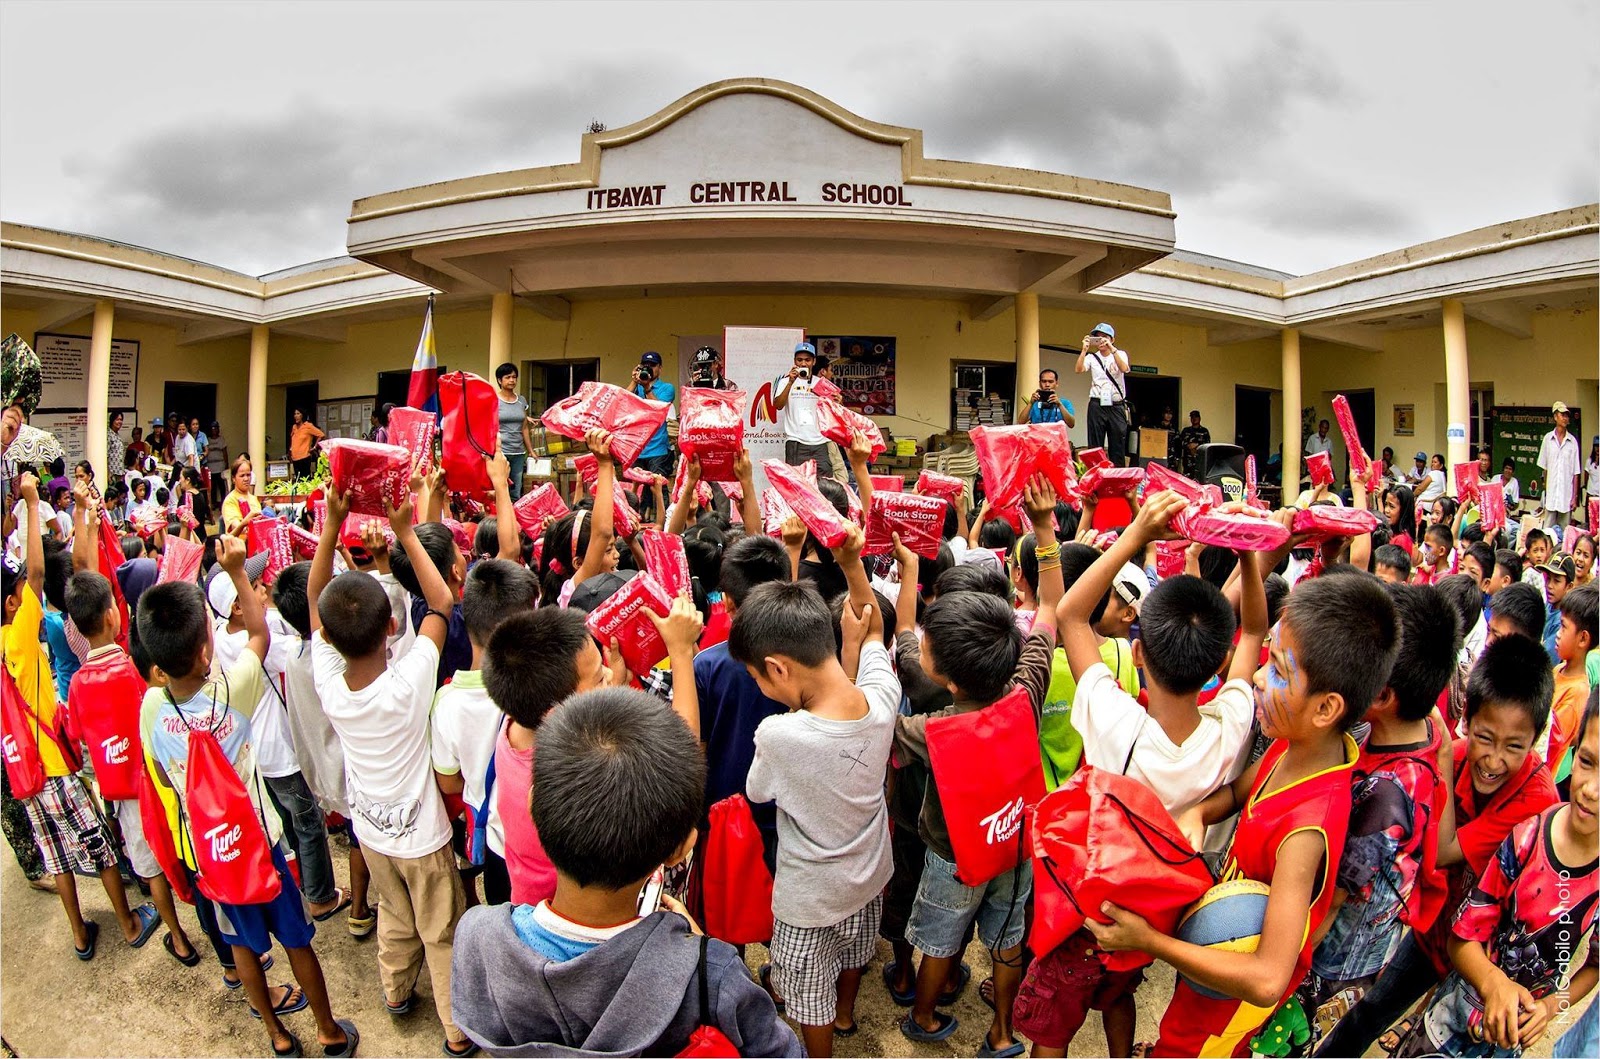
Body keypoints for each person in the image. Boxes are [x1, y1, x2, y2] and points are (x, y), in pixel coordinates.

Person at [1093, 573, 1400, 1058]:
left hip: (1227, 1014)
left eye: (1276, 668)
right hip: (1216, 956)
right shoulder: (1297, 744)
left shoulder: (1306, 830)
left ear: (1326, 707)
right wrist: (1200, 812)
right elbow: (1240, 790)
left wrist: (1150, 942)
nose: (1257, 675)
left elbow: (1266, 979)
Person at [1020, 494, 1261, 1058]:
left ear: (1139, 652)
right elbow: (1252, 633)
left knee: (1052, 1028)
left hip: (1088, 919)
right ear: (1214, 665)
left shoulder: (1119, 725)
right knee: (1119, 993)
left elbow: (1071, 614)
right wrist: (1250, 553)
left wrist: (1134, 533)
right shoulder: (1231, 727)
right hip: (1155, 921)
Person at [450, 687, 802, 1057]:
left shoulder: (477, 937)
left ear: (532, 804)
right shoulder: (715, 979)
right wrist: (700, 954)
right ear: (681, 849)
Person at [138, 535, 357, 1057]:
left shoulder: (150, 707)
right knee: (297, 938)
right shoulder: (233, 690)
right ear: (204, 651)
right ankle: (328, 1030)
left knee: (241, 945)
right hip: (260, 846)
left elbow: (167, 780)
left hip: (210, 857)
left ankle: (276, 1035)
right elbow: (258, 628)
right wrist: (236, 569)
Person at [1316, 634, 1559, 1057]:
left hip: (1483, 964)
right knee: (1368, 1011)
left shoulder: (1535, 801)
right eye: (1485, 737)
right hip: (1436, 934)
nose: (1494, 759)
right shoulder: (1463, 758)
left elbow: (1444, 851)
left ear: (1536, 739)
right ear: (1469, 718)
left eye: (1514, 746)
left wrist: (1445, 748)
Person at [894, 475, 1063, 1055]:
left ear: (947, 677)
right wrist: (1044, 531)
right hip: (1016, 845)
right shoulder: (1026, 689)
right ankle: (1003, 1030)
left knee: (939, 941)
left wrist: (907, 577)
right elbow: (1048, 612)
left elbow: (894, 666)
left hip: (952, 855)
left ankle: (925, 1016)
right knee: (1008, 940)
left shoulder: (932, 729)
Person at [307, 486, 473, 1056]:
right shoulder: (410, 680)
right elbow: (442, 604)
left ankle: (396, 993)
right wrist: (405, 531)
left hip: (371, 833)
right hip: (424, 838)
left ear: (326, 636)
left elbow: (314, 601)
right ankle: (455, 1031)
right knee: (442, 932)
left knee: (395, 920)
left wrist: (331, 525)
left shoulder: (330, 683)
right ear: (389, 632)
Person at [734, 526, 897, 1058]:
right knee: (853, 955)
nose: (762, 689)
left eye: (760, 679)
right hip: (870, 873)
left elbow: (758, 793)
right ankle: (849, 1015)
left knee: (807, 993)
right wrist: (853, 565)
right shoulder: (883, 696)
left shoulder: (779, 734)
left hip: (808, 899)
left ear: (777, 667)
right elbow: (873, 632)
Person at [4, 474, 161, 962]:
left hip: (22, 773)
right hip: (54, 765)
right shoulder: (20, 640)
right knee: (98, 846)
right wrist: (32, 505)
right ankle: (130, 921)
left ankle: (78, 932)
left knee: (57, 858)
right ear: (12, 604)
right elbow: (35, 573)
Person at [1390, 696, 1596, 1058]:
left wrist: (1550, 1007)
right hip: (1447, 1025)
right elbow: (1461, 940)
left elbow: (1593, 969)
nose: (1591, 790)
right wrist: (1493, 981)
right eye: (1587, 762)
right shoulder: (1527, 839)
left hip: (1505, 1047)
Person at [1307, 584, 1461, 1026]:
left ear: (1380, 696)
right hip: (1370, 943)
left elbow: (1332, 903)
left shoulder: (1385, 798)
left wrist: (1280, 965)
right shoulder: (1426, 727)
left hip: (1330, 960)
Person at [62, 562, 201, 968]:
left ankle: (178, 938)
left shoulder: (77, 684)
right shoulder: (132, 670)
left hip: (122, 794)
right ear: (112, 615)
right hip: (158, 779)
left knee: (150, 867)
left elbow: (78, 734)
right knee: (185, 850)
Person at [430, 559, 541, 906]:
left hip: (495, 845)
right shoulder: (538, 692)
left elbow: (449, 783)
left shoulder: (446, 702)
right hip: (538, 850)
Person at [1545, 582, 1595, 767]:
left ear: (1583, 638)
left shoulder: (1577, 693)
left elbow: (1550, 744)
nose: (1557, 635)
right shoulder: (1560, 669)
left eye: (1564, 627)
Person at [773, 341, 831, 474]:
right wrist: (790, 382)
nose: (803, 364)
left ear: (814, 361)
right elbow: (778, 405)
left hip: (819, 442)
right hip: (796, 441)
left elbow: (832, 410)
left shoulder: (821, 383)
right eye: (799, 360)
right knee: (796, 484)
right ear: (794, 361)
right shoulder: (784, 381)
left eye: (807, 360)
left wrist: (838, 401)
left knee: (825, 483)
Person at [1075, 323, 1130, 465]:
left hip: (1116, 404)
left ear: (1112, 339)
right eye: (1097, 338)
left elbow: (1124, 368)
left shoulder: (1120, 353)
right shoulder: (1092, 357)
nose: (1101, 341)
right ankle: (1095, 478)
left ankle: (1118, 480)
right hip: (1097, 403)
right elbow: (1079, 369)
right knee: (1095, 445)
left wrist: (1112, 349)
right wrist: (1084, 350)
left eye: (1104, 337)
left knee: (1117, 445)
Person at [629, 352, 676, 516]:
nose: (649, 369)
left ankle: (663, 524)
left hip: (657, 448)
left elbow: (660, 410)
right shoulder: (637, 387)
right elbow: (623, 401)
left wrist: (647, 387)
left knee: (658, 489)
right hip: (637, 447)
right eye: (646, 365)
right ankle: (633, 522)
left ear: (660, 368)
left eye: (653, 365)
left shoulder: (667, 388)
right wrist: (634, 382)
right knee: (635, 490)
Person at [1538, 400, 1583, 529]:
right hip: (1551, 497)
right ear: (1555, 417)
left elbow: (1576, 472)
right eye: (1562, 415)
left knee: (1565, 533)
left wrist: (1574, 497)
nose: (1565, 418)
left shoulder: (1572, 442)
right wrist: (1545, 493)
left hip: (1566, 497)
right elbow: (1544, 470)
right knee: (1547, 532)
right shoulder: (1547, 439)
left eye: (1566, 415)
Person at [493, 364, 533, 501]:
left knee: (516, 492)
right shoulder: (493, 400)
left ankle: (514, 520)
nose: (512, 380)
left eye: (514, 377)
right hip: (500, 452)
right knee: (499, 489)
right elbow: (489, 426)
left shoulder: (521, 400)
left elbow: (525, 428)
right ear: (499, 380)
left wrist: (531, 451)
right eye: (508, 377)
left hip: (518, 452)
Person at [221, 454, 262, 536]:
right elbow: (235, 527)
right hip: (239, 546)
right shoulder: (230, 500)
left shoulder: (253, 499)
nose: (246, 479)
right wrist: (245, 523)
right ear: (233, 479)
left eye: (248, 475)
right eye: (242, 476)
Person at [288, 408, 324, 480]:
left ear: (302, 415)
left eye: (298, 413)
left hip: (304, 457)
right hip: (295, 458)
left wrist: (314, 447)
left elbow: (321, 435)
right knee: (297, 480)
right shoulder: (294, 427)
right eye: (295, 414)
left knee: (305, 480)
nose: (296, 416)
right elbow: (293, 439)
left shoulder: (308, 426)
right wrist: (291, 448)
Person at [1177, 409, 1211, 480]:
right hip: (1187, 462)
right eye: (1192, 417)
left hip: (1199, 462)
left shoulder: (1204, 431)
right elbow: (1179, 443)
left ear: (1199, 418)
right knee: (1187, 482)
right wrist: (1188, 446)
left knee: (1199, 481)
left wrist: (1197, 445)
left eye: (1196, 417)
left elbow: (1207, 445)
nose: (1194, 419)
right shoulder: (1186, 430)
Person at [106, 411, 125, 486]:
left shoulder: (117, 435)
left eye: (121, 419)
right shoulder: (109, 434)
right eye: (117, 419)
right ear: (112, 421)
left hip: (119, 473)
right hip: (112, 473)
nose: (119, 422)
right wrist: (108, 473)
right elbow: (105, 455)